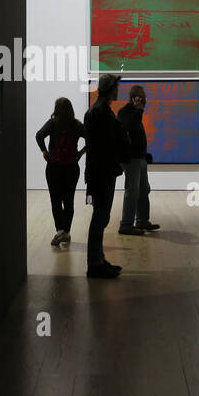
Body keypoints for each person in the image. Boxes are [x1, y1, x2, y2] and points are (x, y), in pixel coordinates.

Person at [83, 74, 129, 278]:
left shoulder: (98, 110)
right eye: (116, 86)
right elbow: (107, 144)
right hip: (101, 173)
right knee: (100, 217)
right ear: (110, 88)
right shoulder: (100, 112)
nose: (118, 89)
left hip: (99, 172)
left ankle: (98, 259)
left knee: (100, 216)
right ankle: (94, 263)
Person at [36, 97, 87, 247]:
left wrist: (44, 151)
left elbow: (39, 135)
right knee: (68, 200)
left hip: (54, 167)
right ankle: (67, 232)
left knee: (56, 200)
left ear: (56, 109)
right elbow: (91, 139)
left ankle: (60, 231)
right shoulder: (77, 125)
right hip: (71, 167)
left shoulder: (53, 123)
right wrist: (81, 152)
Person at [117, 84, 159, 235]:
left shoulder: (135, 112)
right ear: (133, 98)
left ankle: (142, 220)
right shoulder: (125, 112)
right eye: (138, 97)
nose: (140, 101)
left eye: (142, 98)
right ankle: (126, 224)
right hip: (131, 159)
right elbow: (128, 126)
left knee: (143, 190)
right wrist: (138, 110)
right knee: (132, 191)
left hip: (140, 158)